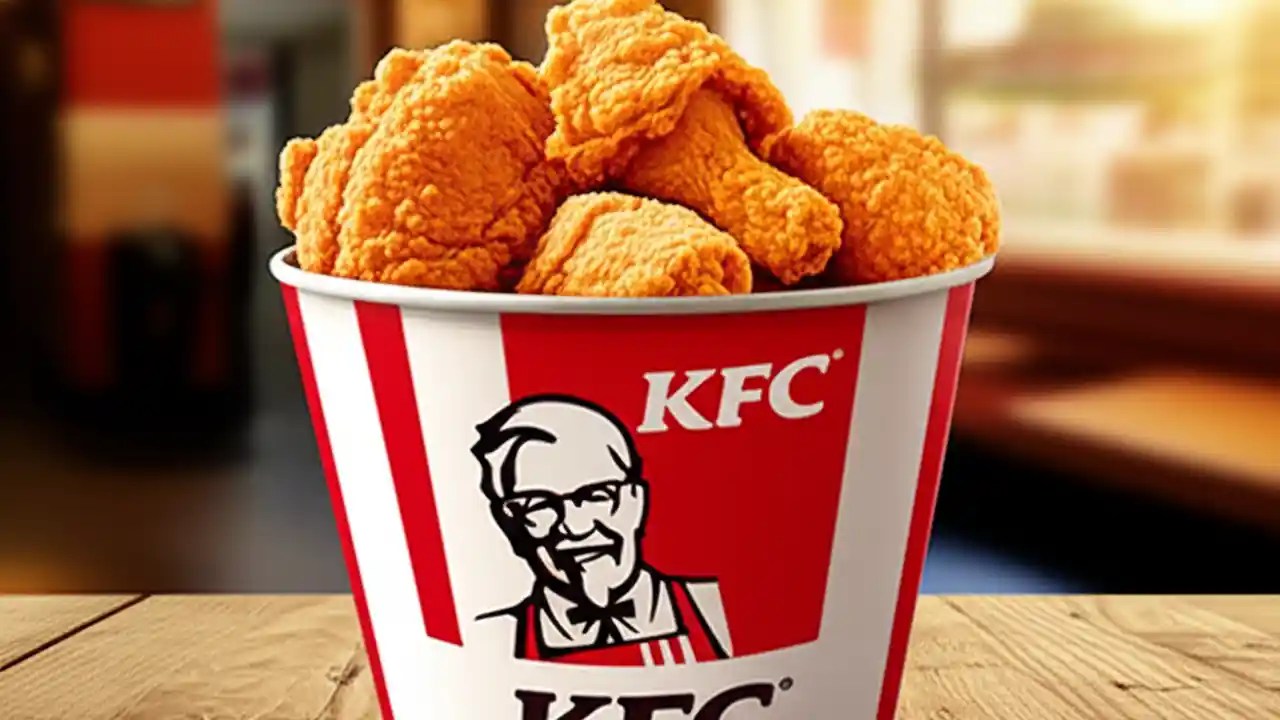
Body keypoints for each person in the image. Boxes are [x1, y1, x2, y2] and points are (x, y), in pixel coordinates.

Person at [472, 395, 732, 666]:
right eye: (538, 505)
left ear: (636, 501)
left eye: (596, 495)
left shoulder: (713, 609)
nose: (575, 527)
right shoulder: (488, 638)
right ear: (509, 524)